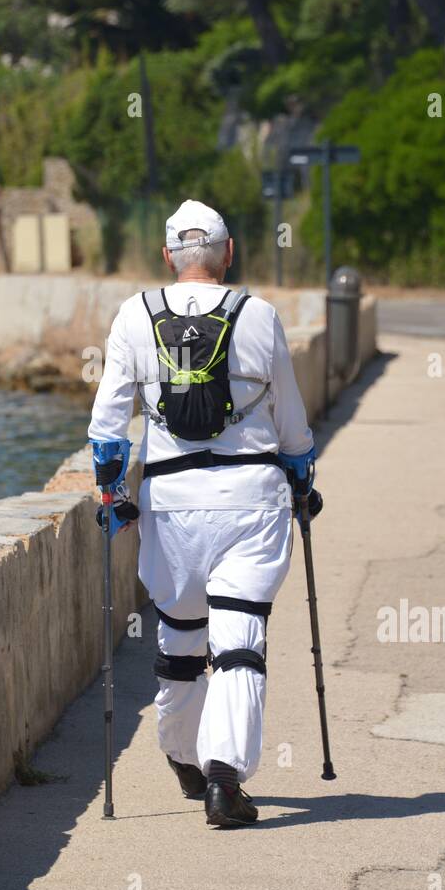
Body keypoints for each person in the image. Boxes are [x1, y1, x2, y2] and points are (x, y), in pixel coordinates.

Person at [88, 199, 315, 827]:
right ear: (229, 253)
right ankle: (223, 780)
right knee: (240, 638)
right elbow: (291, 419)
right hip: (251, 499)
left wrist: (113, 495)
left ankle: (182, 755)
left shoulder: (135, 316)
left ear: (167, 258)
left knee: (182, 636)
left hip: (171, 504)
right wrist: (302, 478)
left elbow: (109, 424)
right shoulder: (259, 314)